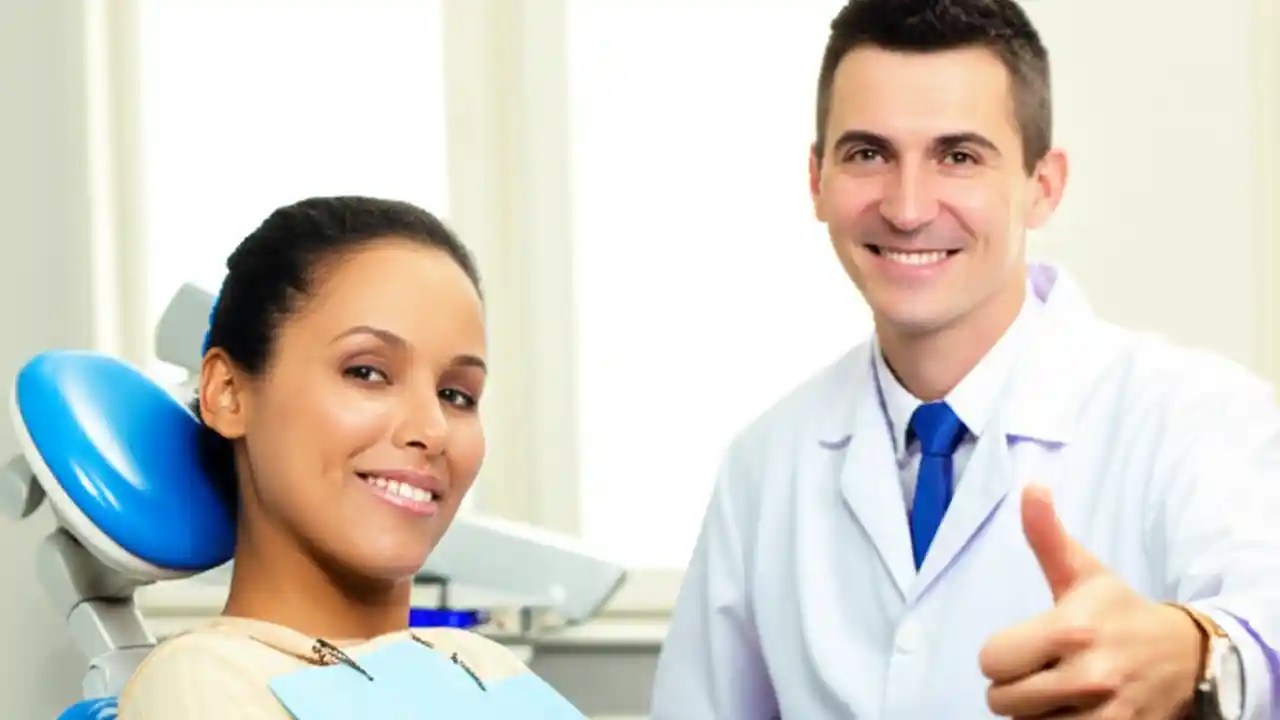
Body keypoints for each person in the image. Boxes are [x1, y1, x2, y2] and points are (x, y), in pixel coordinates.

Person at [650, 1, 1280, 718]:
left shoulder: (1198, 418)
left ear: (1044, 186)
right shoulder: (765, 465)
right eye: (868, 154)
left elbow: (1263, 625)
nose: (908, 208)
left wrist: (1199, 658)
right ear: (817, 179)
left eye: (958, 157)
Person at [118, 197, 548, 717]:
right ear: (228, 393)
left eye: (456, 395)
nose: (432, 429)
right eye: (366, 372)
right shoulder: (204, 684)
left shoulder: (483, 667)